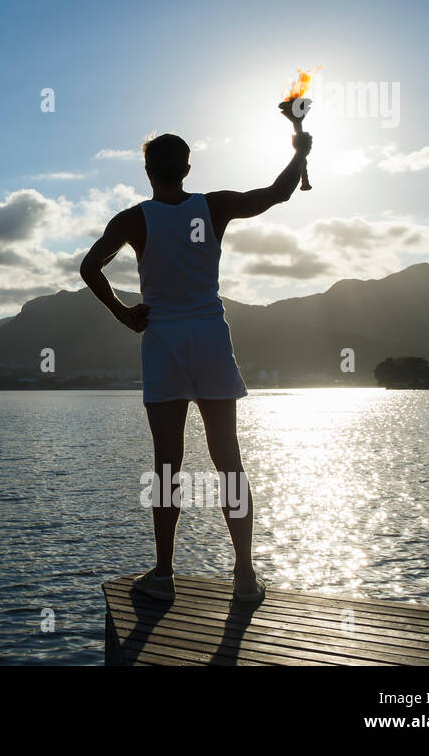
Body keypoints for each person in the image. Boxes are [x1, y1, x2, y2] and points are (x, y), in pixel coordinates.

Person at [80, 107, 313, 603]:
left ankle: (163, 576)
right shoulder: (215, 206)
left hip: (162, 342)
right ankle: (245, 576)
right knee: (228, 459)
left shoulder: (131, 220)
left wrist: (123, 313)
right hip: (209, 338)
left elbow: (89, 267)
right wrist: (299, 155)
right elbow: (276, 194)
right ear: (187, 168)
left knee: (167, 465)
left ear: (148, 171)